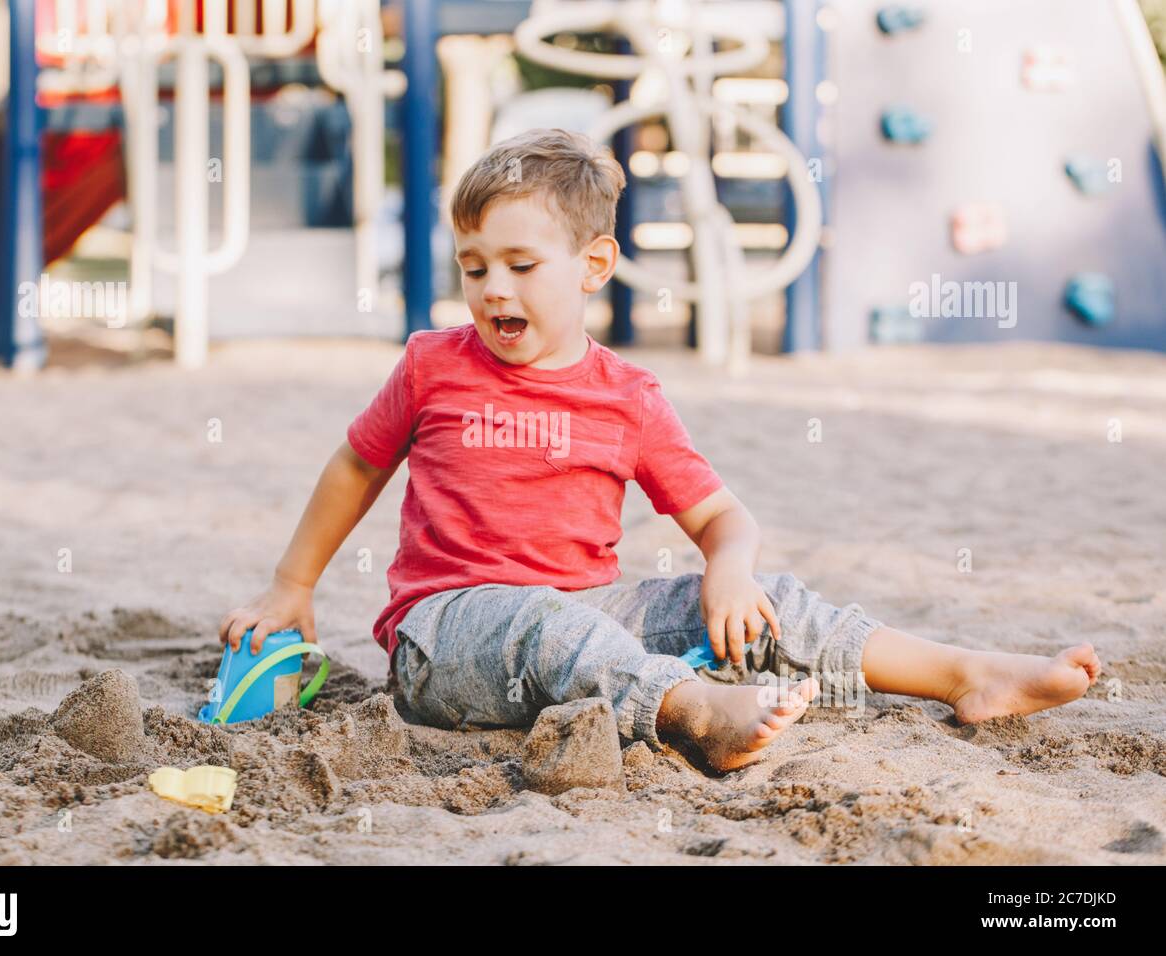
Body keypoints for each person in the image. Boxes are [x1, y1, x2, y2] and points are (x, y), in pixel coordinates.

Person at [219, 129, 1101, 771]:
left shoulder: (628, 398)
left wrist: (729, 565)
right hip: (446, 636)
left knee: (769, 603)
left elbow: (720, 514)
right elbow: (357, 466)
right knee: (548, 623)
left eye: (521, 265)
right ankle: (690, 711)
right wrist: (293, 585)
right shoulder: (431, 365)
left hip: (593, 612)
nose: (492, 289)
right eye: (474, 265)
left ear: (594, 265)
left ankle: (964, 674)